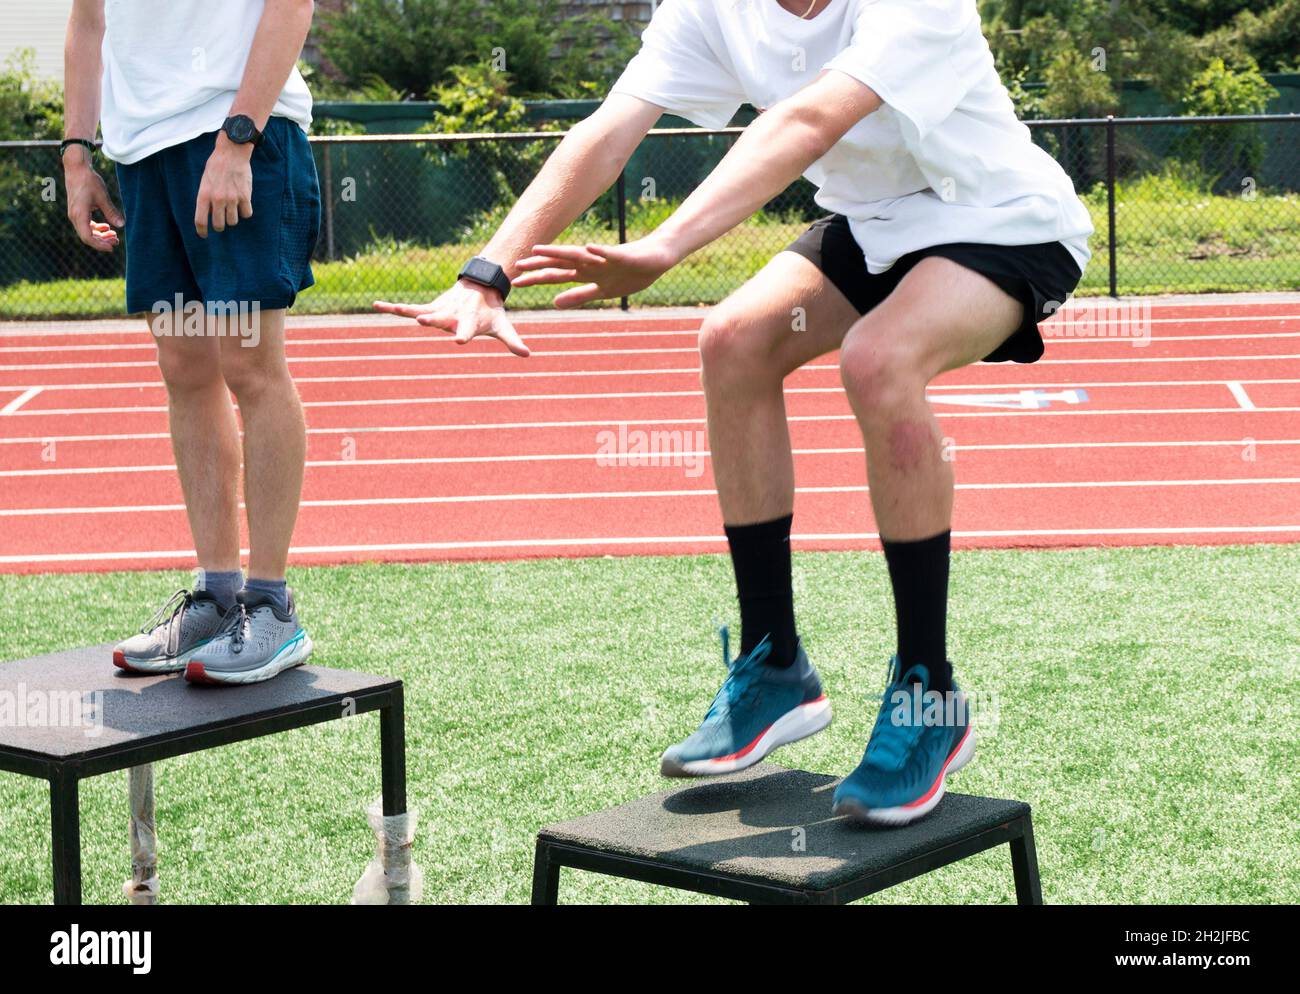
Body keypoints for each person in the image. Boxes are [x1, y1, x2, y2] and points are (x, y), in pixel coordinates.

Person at [377, 0, 1092, 824]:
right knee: (732, 341)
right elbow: (612, 127)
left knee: (878, 360)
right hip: (879, 223)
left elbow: (810, 119)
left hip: (1002, 217)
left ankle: (928, 691)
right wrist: (486, 269)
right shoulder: (712, 6)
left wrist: (662, 246)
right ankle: (776, 664)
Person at [62, 0, 321, 685]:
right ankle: (218, 593)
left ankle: (271, 605)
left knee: (249, 365)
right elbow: (88, 22)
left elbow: (292, 4)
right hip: (145, 150)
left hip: (236, 132)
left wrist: (238, 139)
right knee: (185, 367)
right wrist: (76, 156)